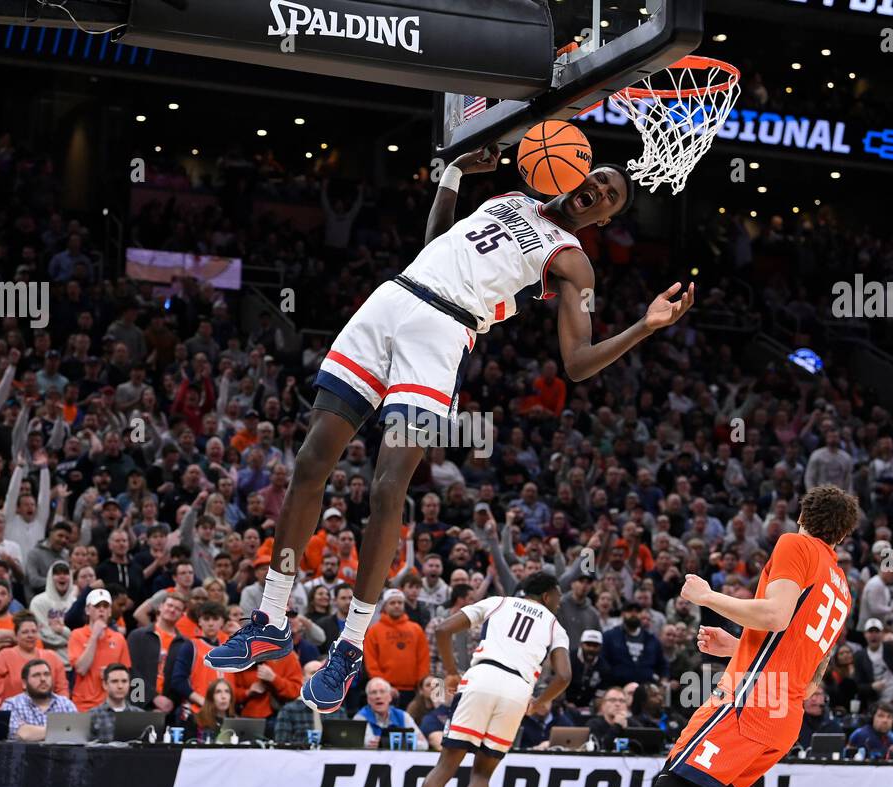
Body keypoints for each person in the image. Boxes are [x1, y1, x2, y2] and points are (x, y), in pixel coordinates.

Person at [208, 148, 694, 722]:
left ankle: (347, 648)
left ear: (605, 219)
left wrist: (646, 324)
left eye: (610, 195)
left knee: (388, 489)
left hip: (442, 335)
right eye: (598, 178)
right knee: (311, 464)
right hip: (391, 300)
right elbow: (434, 241)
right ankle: (269, 619)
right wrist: (454, 173)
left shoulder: (574, 262)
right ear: (576, 171)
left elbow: (579, 362)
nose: (598, 190)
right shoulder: (508, 198)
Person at [641, 484, 860, 787]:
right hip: (784, 718)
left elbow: (776, 615)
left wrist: (706, 597)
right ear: (842, 535)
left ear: (802, 517)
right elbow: (810, 669)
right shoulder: (841, 588)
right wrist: (739, 647)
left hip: (749, 702)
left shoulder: (796, 544)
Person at [395, 572, 569, 787]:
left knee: (446, 765)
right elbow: (564, 675)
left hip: (482, 677)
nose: (560, 603)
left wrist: (451, 671)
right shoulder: (555, 626)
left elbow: (442, 630)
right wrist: (539, 702)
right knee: (483, 773)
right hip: (517, 690)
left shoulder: (498, 602)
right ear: (548, 596)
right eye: (559, 597)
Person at [0, 610, 70, 705]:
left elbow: (62, 689)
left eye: (33, 631)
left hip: (49, 715)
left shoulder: (52, 657)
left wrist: (62, 712)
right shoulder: (4, 656)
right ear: (16, 635)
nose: (30, 635)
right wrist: (2, 715)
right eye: (25, 632)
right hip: (14, 714)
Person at [363, 588, 429, 708]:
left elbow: (423, 659)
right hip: (385, 691)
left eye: (400, 602)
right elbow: (371, 662)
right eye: (392, 603)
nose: (397, 606)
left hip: (413, 690)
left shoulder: (416, 629)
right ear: (384, 606)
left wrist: (421, 684)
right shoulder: (374, 631)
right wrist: (383, 686)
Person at [67, 588, 131, 712]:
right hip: (84, 705)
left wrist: (110, 673)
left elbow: (126, 674)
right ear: (87, 610)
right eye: (97, 606)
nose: (101, 609)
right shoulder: (77, 635)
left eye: (105, 606)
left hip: (111, 706)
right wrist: (94, 635)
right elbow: (81, 669)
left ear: (110, 612)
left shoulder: (119, 639)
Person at [853, 619, 893, 727]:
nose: (873, 635)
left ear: (882, 634)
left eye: (877, 631)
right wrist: (872, 687)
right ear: (865, 634)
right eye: (870, 632)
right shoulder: (860, 657)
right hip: (878, 705)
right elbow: (858, 686)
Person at [273, 660, 347, 744]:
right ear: (302, 679)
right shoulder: (288, 710)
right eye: (313, 672)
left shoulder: (338, 711)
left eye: (322, 672)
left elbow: (346, 743)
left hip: (332, 756)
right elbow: (281, 745)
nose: (318, 676)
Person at [3, 658, 78, 741]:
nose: (43, 679)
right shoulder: (12, 705)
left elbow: (78, 733)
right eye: (36, 675)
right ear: (24, 683)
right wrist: (64, 731)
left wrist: (35, 732)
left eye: (47, 674)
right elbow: (21, 733)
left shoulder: (65, 704)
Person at [354, 676, 427, 750]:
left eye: (382, 691)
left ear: (390, 697)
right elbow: (368, 744)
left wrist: (385, 742)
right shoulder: (360, 718)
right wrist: (404, 742)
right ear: (368, 699)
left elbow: (424, 745)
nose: (378, 696)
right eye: (373, 692)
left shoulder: (403, 716)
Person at [88, 663, 140, 742]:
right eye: (114, 681)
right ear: (105, 685)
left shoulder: (139, 715)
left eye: (124, 681)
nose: (120, 686)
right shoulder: (92, 716)